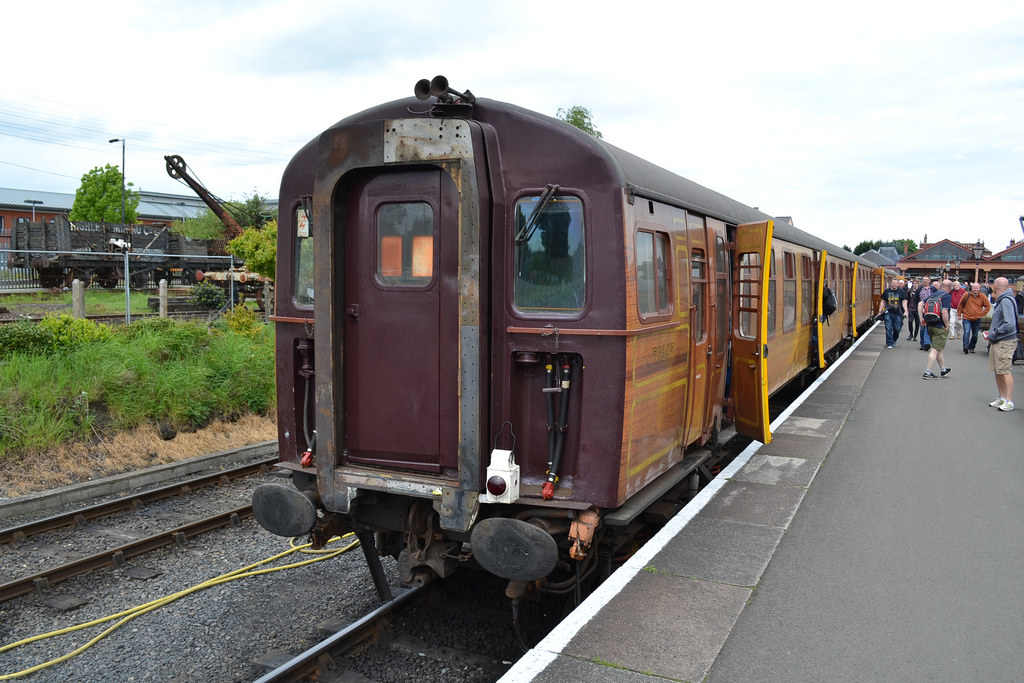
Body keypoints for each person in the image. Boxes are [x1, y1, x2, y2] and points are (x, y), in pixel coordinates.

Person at [986, 277, 1017, 411]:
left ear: (996, 286)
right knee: (998, 370)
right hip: (998, 340)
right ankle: (1002, 397)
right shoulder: (1004, 299)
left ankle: (1009, 400)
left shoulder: (1005, 301)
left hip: (1004, 341)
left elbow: (1009, 324)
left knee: (1004, 370)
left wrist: (995, 333)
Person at [922, 279, 952, 380]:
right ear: (950, 288)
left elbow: (920, 304)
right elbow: (944, 312)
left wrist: (921, 318)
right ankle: (927, 372)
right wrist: (947, 325)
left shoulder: (934, 295)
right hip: (940, 326)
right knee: (935, 349)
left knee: (938, 348)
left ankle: (943, 370)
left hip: (930, 324)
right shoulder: (947, 296)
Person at [957, 282, 990, 354]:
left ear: (979, 289)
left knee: (975, 334)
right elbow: (960, 305)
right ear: (972, 288)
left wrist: (981, 314)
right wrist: (959, 314)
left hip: (977, 318)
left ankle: (972, 347)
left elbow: (988, 306)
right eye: (974, 288)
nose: (975, 290)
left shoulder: (983, 297)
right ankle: (965, 346)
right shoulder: (966, 295)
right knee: (967, 332)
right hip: (967, 317)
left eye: (977, 288)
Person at [877, 277, 907, 348]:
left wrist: (906, 311)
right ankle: (889, 343)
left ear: (898, 284)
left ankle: (894, 339)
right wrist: (880, 311)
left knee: (897, 328)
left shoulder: (901, 292)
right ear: (891, 283)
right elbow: (883, 301)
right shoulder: (886, 291)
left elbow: (904, 301)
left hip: (898, 313)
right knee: (888, 328)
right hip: (888, 312)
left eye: (896, 283)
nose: (894, 284)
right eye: (893, 283)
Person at [916, 276, 935, 351]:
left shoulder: (933, 289)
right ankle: (923, 344)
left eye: (926, 280)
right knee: (923, 327)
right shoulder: (919, 290)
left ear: (929, 281)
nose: (925, 281)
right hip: (921, 310)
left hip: (931, 311)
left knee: (929, 327)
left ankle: (928, 342)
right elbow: (915, 299)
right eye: (924, 280)